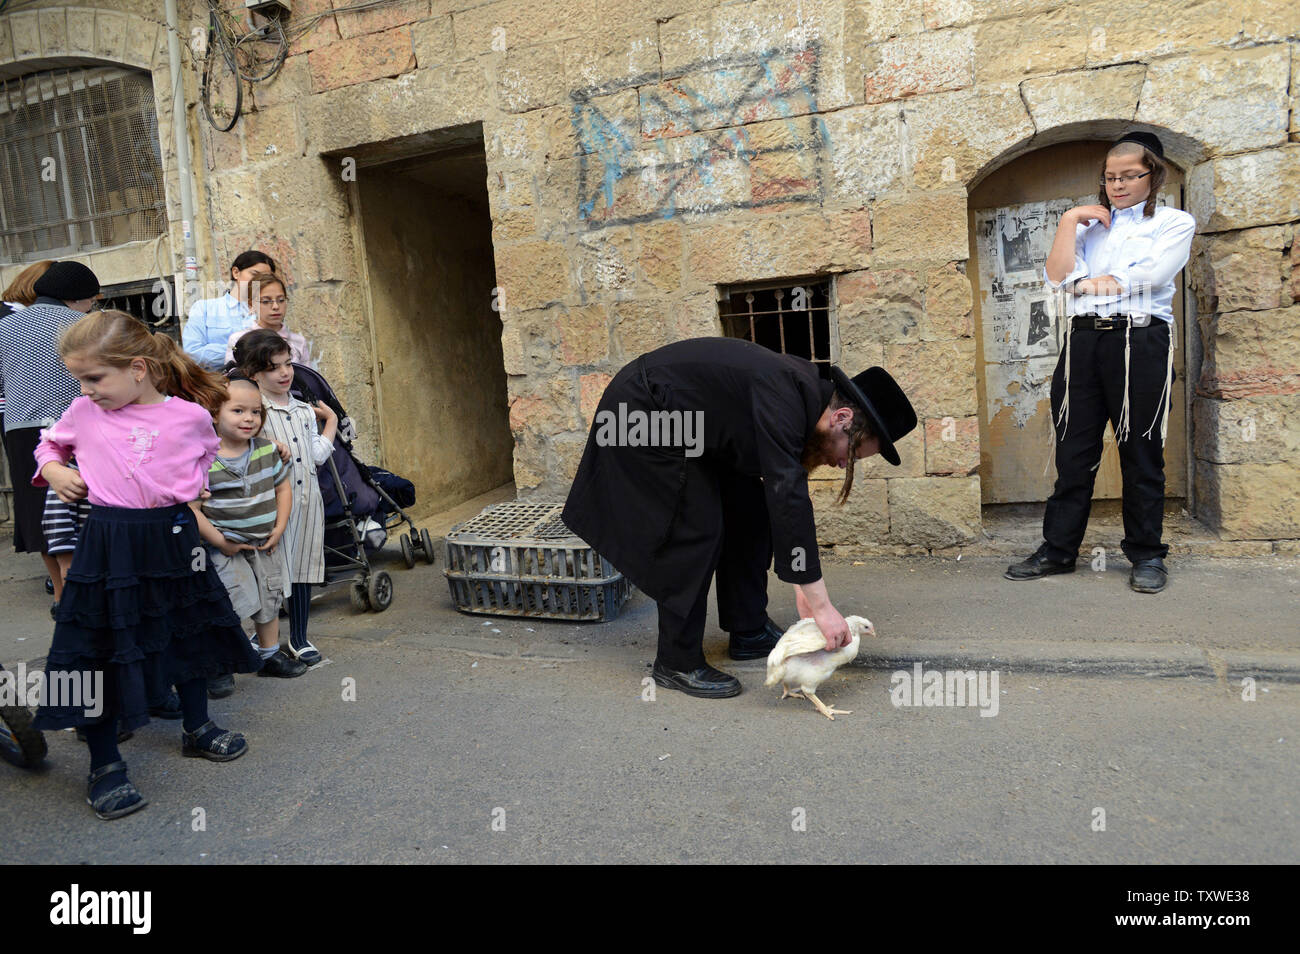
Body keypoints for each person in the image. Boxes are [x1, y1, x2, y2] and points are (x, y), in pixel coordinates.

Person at [562, 336, 917, 698]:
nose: (843, 464)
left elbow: (784, 503)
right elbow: (788, 495)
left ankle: (748, 629)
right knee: (696, 526)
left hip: (691, 429)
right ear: (842, 419)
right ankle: (677, 661)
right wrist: (822, 607)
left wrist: (804, 587)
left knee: (751, 507)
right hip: (640, 414)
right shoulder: (786, 397)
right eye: (851, 453)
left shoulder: (804, 403)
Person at [32, 310, 263, 820]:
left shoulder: (190, 417)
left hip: (173, 537)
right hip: (108, 540)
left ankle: (197, 727)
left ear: (138, 368)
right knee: (97, 647)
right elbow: (50, 442)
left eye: (95, 377)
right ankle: (104, 764)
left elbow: (205, 454)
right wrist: (54, 469)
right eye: (79, 379)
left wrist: (188, 488)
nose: (85, 389)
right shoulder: (83, 411)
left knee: (188, 631)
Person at [1005, 131, 1195, 594]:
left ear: (1153, 174)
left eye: (1129, 175)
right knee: (1073, 452)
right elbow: (1056, 277)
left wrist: (1087, 284)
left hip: (1140, 339)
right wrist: (1069, 220)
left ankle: (1147, 554)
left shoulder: (1173, 222)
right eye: (1111, 177)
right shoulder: (1089, 226)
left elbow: (1152, 276)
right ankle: (1058, 550)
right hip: (1083, 341)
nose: (1118, 185)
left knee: (1141, 452)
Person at [191, 374, 306, 680]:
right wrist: (220, 542)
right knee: (229, 601)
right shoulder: (203, 459)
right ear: (215, 414)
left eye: (255, 411)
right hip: (224, 548)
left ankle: (269, 655)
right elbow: (193, 509)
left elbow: (283, 489)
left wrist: (280, 527)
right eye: (238, 410)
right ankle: (220, 663)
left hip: (264, 543)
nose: (249, 418)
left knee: (269, 599)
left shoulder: (267, 451)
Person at [232, 329, 336, 669]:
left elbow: (316, 455)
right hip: (271, 508)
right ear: (253, 374)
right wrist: (264, 447)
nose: (284, 372)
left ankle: (299, 638)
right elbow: (234, 451)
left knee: (303, 569)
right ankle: (263, 637)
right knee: (272, 574)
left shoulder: (303, 410)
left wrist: (331, 421)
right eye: (273, 367)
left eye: (287, 364)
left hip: (308, 503)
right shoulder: (252, 414)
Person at [0, 261, 99, 610]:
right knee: (83, 507)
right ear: (77, 297)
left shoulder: (4, 326)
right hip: (76, 425)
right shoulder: (85, 325)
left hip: (21, 428)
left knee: (40, 513)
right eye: (92, 299)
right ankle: (86, 588)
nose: (93, 306)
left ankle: (61, 594)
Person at [182, 250, 276, 370]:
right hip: (216, 380)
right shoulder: (204, 308)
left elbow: (275, 351)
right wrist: (241, 350)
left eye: (266, 278)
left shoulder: (269, 311)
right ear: (236, 272)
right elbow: (192, 353)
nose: (259, 281)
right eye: (255, 274)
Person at [224, 273, 312, 367]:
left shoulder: (298, 341)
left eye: (281, 300)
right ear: (251, 304)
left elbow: (306, 375)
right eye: (266, 301)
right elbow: (231, 373)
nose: (276, 306)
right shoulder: (238, 340)